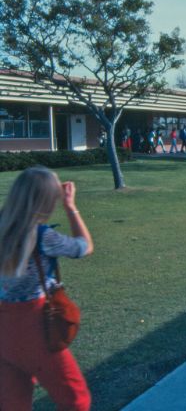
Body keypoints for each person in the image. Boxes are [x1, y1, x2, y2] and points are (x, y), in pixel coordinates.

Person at [0, 166, 94, 410]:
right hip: (35, 325)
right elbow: (84, 247)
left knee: (13, 403)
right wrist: (71, 207)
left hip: (4, 328)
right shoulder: (41, 236)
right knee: (76, 399)